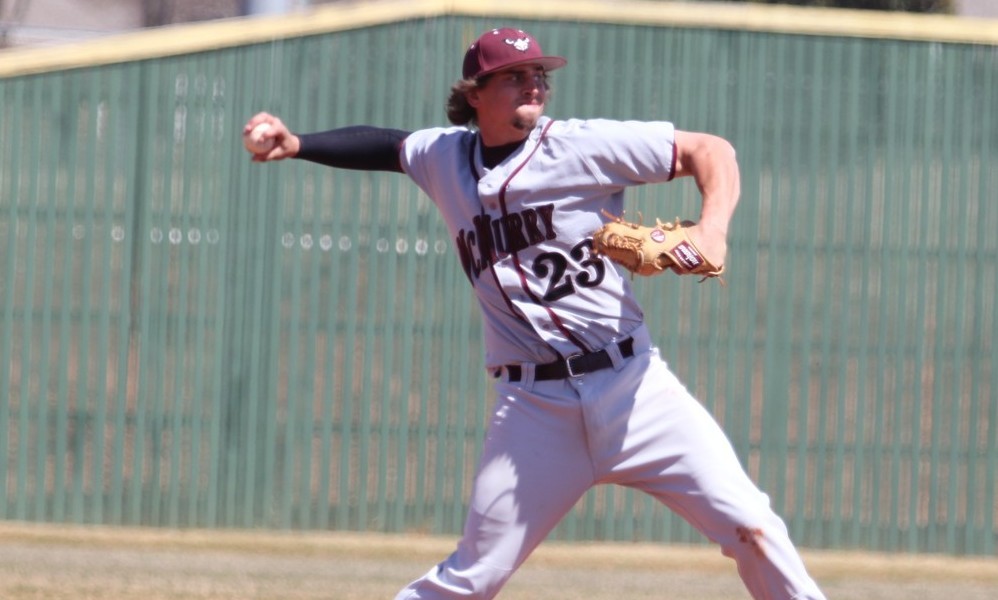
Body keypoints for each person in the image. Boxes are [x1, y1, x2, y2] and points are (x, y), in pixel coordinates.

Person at [244, 26, 826, 600]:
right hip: (533, 408)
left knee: (753, 527)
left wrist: (712, 229)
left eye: (538, 75)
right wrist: (297, 143)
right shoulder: (444, 157)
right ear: (474, 93)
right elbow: (386, 146)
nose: (533, 86)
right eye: (514, 76)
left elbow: (711, 150)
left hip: (635, 388)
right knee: (472, 578)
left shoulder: (582, 145)